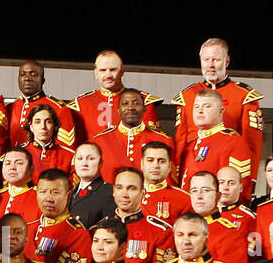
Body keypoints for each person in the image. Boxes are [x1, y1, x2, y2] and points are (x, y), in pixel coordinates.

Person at [172, 38, 264, 170]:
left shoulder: (244, 95)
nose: (210, 65)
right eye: (206, 60)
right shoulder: (187, 95)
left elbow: (252, 144)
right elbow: (181, 141)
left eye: (215, 60)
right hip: (192, 170)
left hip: (227, 171)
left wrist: (250, 180)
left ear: (227, 61)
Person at [68, 50, 160, 142]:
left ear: (122, 71)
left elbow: (151, 140)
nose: (108, 75)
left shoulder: (143, 100)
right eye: (102, 70)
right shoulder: (80, 104)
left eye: (113, 70)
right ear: (96, 73)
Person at [27, 169, 91, 263]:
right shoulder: (28, 227)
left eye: (55, 193)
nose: (48, 198)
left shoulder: (77, 233)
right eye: (42, 192)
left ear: (68, 195)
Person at [92, 89, 174, 182]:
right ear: (118, 110)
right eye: (125, 103)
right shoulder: (100, 141)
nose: (130, 107)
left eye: (136, 103)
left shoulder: (163, 140)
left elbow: (169, 181)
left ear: (144, 109)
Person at [179, 89, 253, 191]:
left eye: (207, 106)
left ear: (221, 111)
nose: (200, 110)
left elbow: (240, 187)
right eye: (196, 107)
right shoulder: (190, 145)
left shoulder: (232, 141)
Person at [110, 167, 174, 263]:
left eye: (132, 189)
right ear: (113, 192)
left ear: (142, 193)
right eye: (119, 188)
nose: (124, 194)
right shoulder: (98, 229)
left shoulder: (160, 232)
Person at [186, 170, 250, 263]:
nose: (199, 196)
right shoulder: (182, 229)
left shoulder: (230, 235)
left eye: (206, 190)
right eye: (194, 190)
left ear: (218, 195)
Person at [8, 59, 77, 148]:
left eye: (33, 74)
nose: (27, 78)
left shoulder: (59, 108)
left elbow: (65, 148)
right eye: (22, 74)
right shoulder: (10, 108)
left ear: (43, 80)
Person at [16, 102, 76, 178]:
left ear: (55, 126)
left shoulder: (69, 156)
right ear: (31, 127)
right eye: (37, 122)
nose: (43, 126)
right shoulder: (18, 153)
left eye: (48, 122)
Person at [139, 140, 192, 221]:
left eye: (161, 161)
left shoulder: (185, 200)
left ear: (169, 167)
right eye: (150, 160)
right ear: (142, 164)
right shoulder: (130, 194)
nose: (156, 165)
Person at [215, 165, 260, 257]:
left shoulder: (250, 218)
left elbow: (256, 254)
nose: (225, 187)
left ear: (241, 188)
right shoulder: (203, 215)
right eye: (221, 182)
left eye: (231, 183)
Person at [68, 142, 114, 228]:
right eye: (80, 158)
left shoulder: (108, 193)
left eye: (91, 158)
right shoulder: (70, 193)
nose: (84, 163)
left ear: (101, 163)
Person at [0, 147, 40, 222]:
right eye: (7, 163)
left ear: (31, 169)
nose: (12, 168)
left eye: (19, 163)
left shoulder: (40, 198)